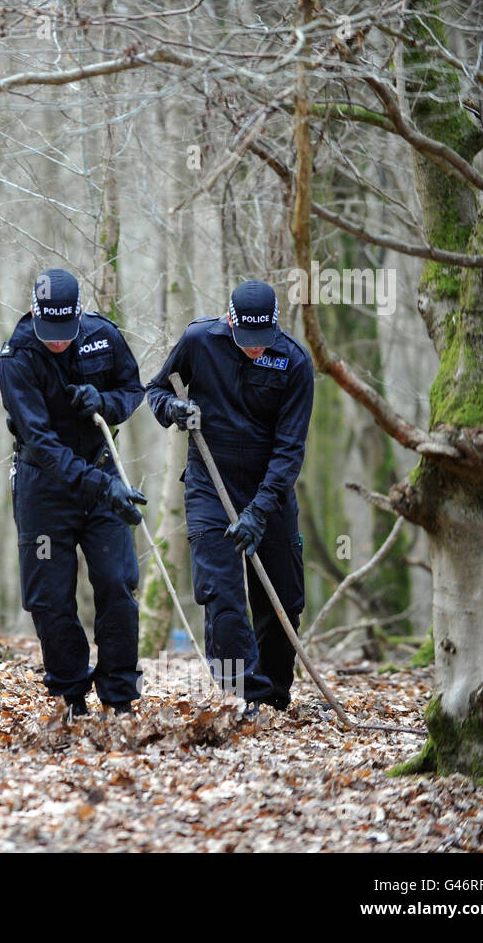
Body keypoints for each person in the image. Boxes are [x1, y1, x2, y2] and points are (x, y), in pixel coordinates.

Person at [144, 279, 313, 715]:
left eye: (262, 341)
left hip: (268, 489)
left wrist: (259, 511)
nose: (254, 349)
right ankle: (243, 696)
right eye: (246, 340)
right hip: (209, 482)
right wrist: (173, 412)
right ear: (229, 322)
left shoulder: (294, 362)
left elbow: (290, 449)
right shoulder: (199, 341)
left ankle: (274, 696)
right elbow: (157, 390)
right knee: (221, 594)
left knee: (283, 600)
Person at [0, 268, 147, 718]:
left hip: (103, 476)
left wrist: (104, 403)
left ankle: (119, 697)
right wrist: (99, 485)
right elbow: (41, 443)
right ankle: (71, 695)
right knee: (50, 595)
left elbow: (132, 390)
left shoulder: (103, 335)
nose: (57, 341)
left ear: (79, 313)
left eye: (66, 331)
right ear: (33, 311)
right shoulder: (16, 357)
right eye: (50, 331)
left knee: (118, 584)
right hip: (45, 488)